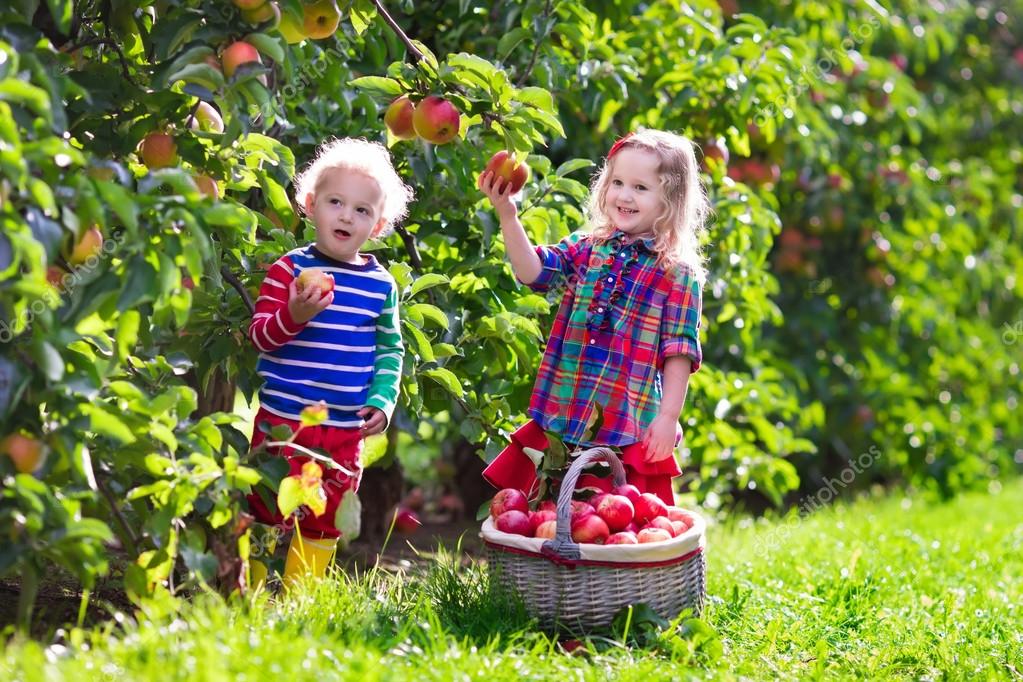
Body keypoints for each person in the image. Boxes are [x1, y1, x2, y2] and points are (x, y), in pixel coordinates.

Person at [478, 129, 710, 506]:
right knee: (546, 512)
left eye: (640, 187)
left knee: (608, 514)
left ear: (670, 199)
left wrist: (668, 417)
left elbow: (679, 352)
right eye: (617, 182)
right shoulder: (587, 249)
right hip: (564, 407)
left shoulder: (677, 274)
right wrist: (508, 215)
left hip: (623, 420)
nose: (624, 195)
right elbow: (533, 271)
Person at [245, 137, 413, 587]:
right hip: (283, 421)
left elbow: (389, 348)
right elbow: (261, 335)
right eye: (335, 202)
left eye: (361, 211)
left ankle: (302, 595)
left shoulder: (380, 286)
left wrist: (383, 399)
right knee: (265, 503)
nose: (346, 215)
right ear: (310, 204)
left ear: (377, 226)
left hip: (341, 429)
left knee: (325, 513)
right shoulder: (288, 271)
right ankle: (252, 590)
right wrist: (295, 314)